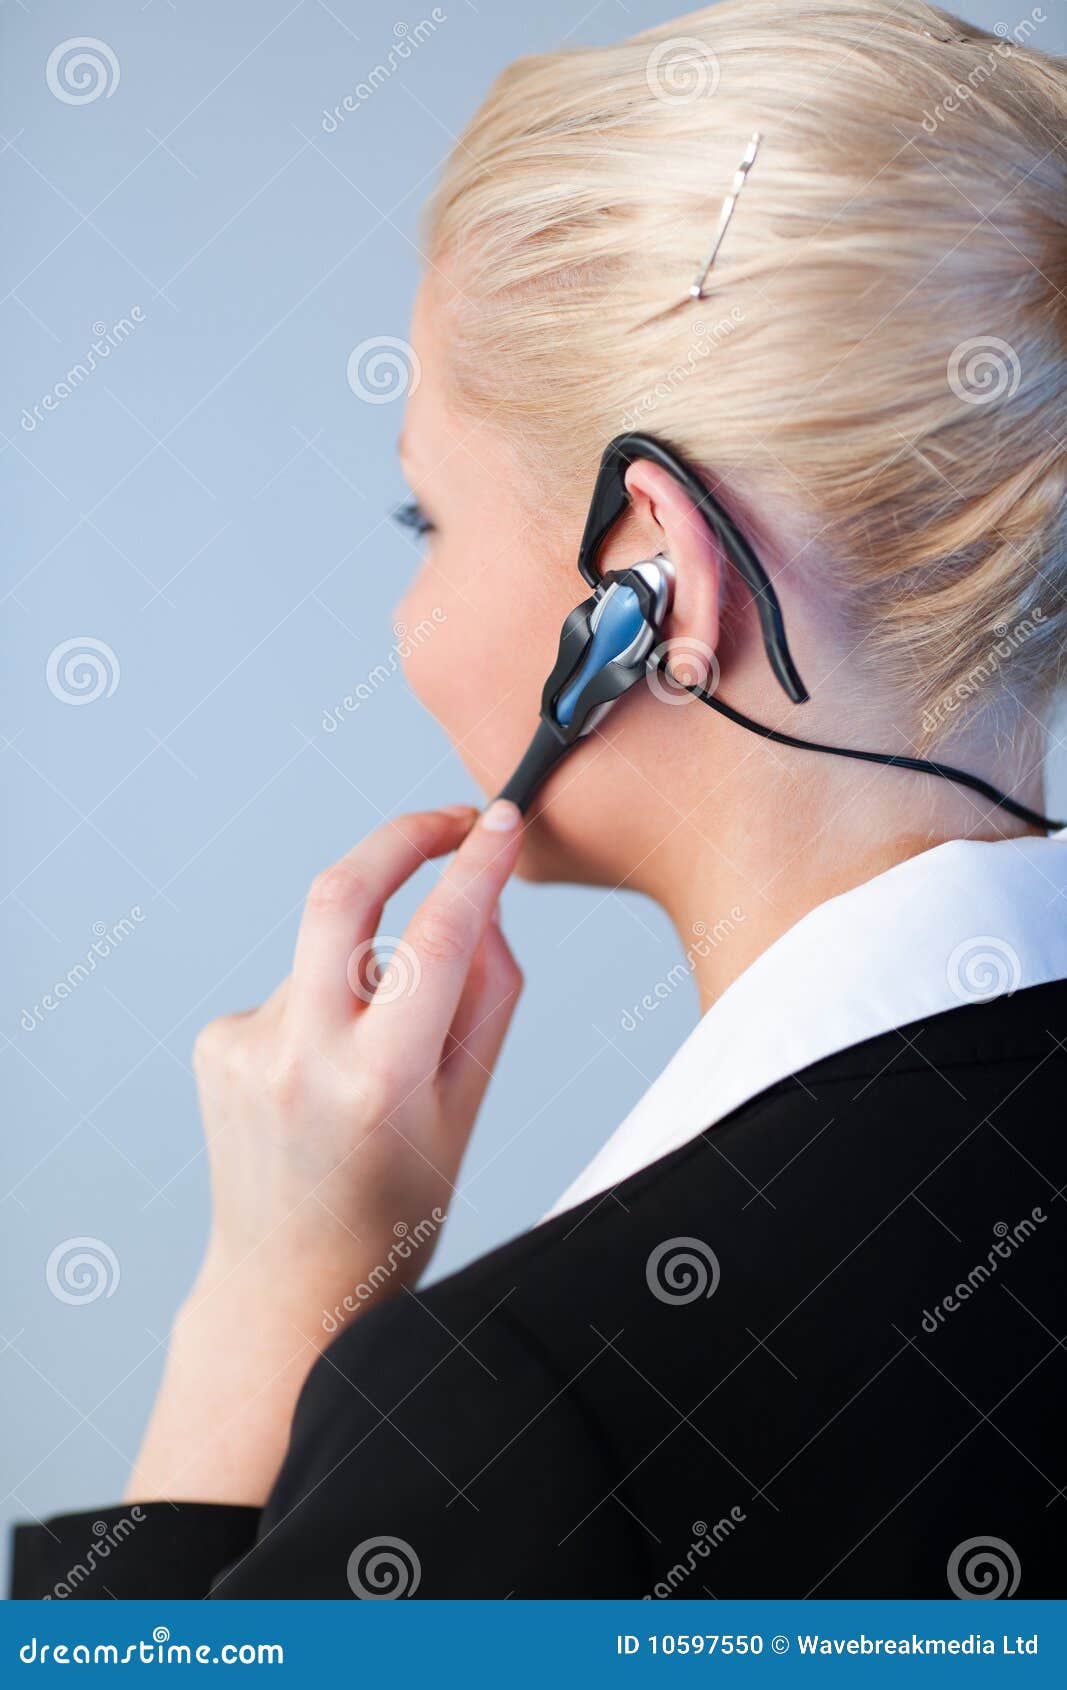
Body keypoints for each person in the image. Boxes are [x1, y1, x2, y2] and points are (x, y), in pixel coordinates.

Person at [12, 0, 1067, 1600]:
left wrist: (267, 1313)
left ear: (652, 583)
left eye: (418, 515)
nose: (400, 620)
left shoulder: (517, 1411)